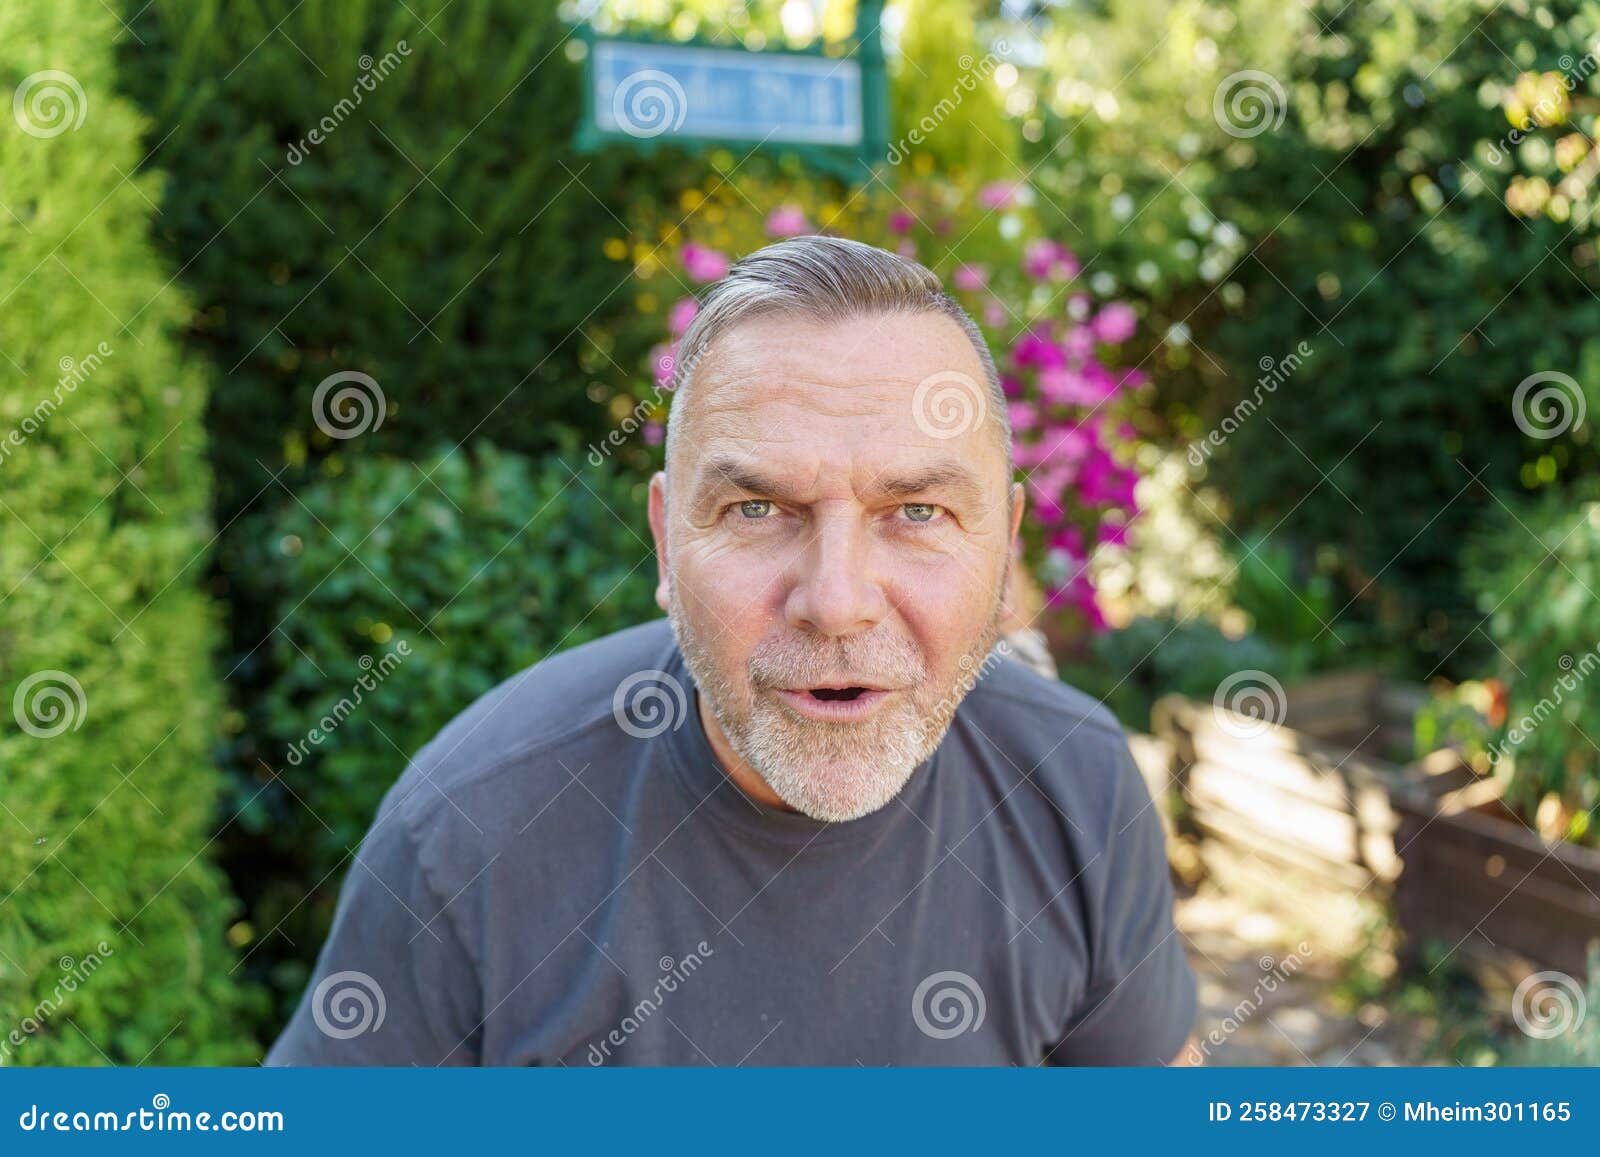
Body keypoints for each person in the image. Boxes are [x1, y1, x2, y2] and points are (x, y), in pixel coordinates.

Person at [266, 235, 1196, 1066]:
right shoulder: (467, 837)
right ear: (668, 543)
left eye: (918, 512)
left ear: (1002, 553)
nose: (835, 602)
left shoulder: (1081, 788)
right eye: (757, 509)